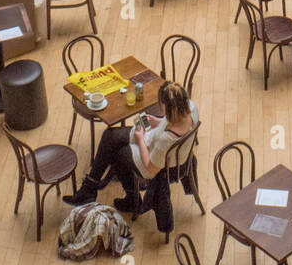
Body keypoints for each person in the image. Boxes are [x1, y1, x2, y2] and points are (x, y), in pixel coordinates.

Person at [64, 79, 199, 211]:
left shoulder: (166, 140)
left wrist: (140, 139)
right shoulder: (191, 108)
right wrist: (158, 122)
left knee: (119, 155)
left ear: (165, 106)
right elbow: (172, 121)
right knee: (110, 136)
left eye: (160, 104)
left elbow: (151, 168)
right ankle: (89, 188)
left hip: (158, 163)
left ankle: (131, 200)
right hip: (160, 147)